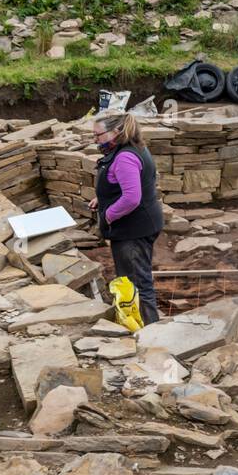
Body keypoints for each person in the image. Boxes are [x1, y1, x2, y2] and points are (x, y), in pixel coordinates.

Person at [88, 111, 163, 326]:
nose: (95, 140)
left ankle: (151, 331)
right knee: (138, 276)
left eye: (98, 135)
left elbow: (131, 198)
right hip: (143, 223)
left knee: (138, 283)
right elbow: (128, 184)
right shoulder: (135, 147)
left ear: (116, 131)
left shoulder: (124, 157)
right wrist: (102, 199)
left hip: (133, 230)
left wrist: (108, 216)